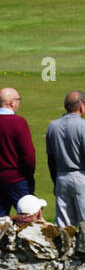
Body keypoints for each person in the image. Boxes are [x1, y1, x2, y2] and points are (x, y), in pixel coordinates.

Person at [45, 91, 85, 227]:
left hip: (61, 177)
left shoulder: (53, 127)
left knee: (63, 225)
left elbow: (51, 159)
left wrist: (56, 181)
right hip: (83, 177)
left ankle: (64, 248)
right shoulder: (84, 126)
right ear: (82, 106)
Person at [0, 87, 36, 215]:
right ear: (12, 103)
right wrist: (28, 174)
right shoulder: (18, 122)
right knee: (30, 216)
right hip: (17, 179)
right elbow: (28, 155)